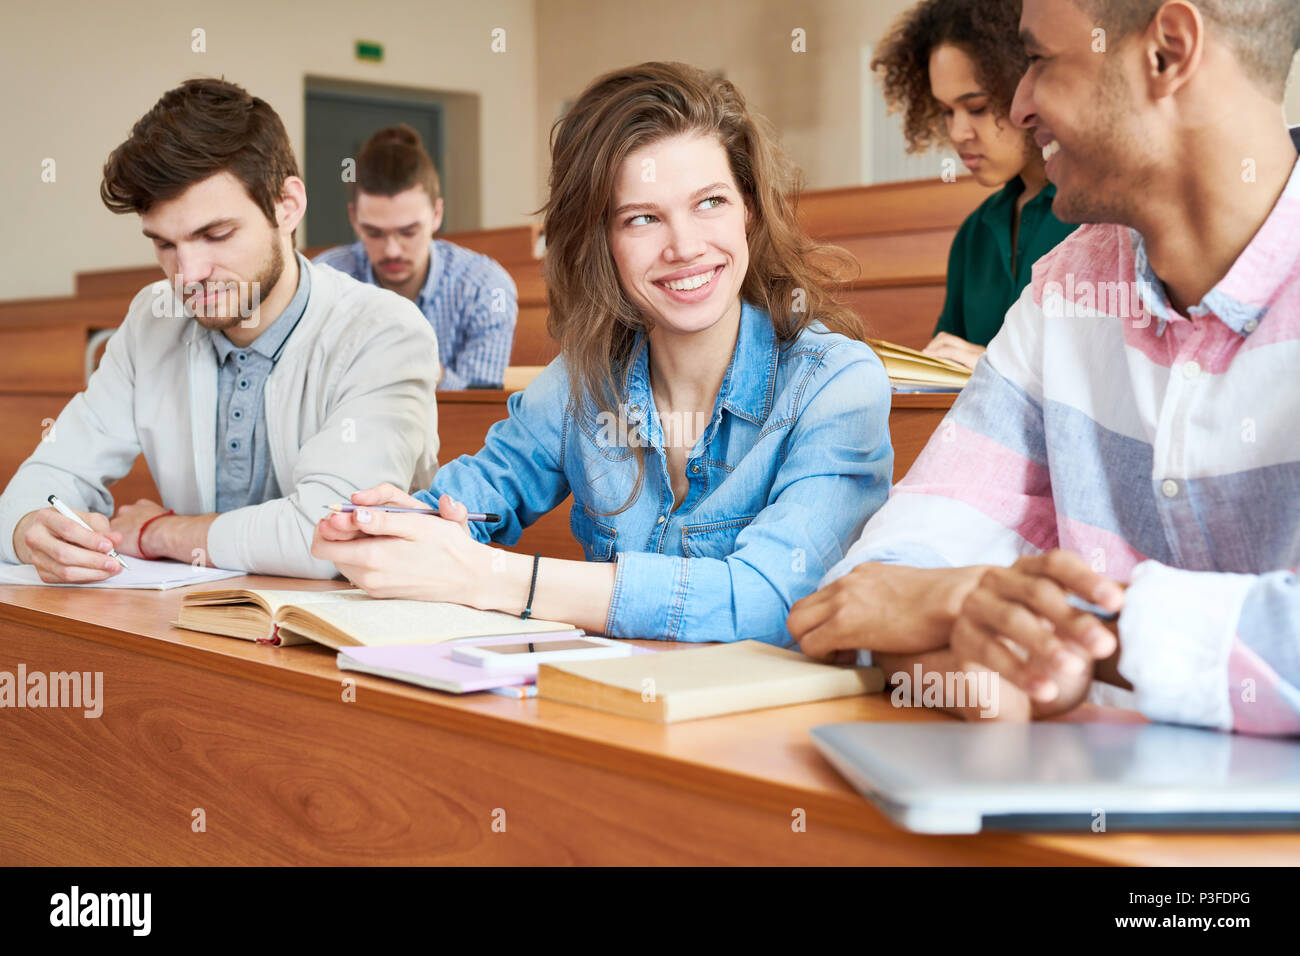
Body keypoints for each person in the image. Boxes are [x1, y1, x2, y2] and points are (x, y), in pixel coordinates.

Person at [789, 0, 1300, 736]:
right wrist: (962, 613)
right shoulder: (1066, 290)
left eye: (1038, 61)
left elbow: (921, 604)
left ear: (1168, 53)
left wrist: (1048, 628)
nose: (1019, 105)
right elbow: (864, 596)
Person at [311, 61, 893, 644]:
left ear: (750, 209)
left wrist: (493, 577)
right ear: (601, 243)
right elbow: (473, 498)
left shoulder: (836, 384)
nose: (685, 246)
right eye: (642, 218)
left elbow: (772, 602)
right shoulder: (581, 382)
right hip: (607, 712)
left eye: (710, 202)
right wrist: (388, 527)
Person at [0, 79, 440, 581]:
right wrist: (33, 531)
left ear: (287, 205)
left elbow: (327, 536)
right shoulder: (154, 317)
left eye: (215, 235)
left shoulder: (385, 331)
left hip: (351, 637)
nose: (187, 274)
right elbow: (46, 478)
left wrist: (162, 532)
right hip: (198, 628)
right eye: (164, 244)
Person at [873, 0, 1077, 369]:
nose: (957, 132)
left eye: (978, 107)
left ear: (1025, 85)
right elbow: (946, 367)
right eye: (947, 111)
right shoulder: (973, 235)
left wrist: (996, 365)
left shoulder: (1094, 215)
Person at [314, 125, 518, 389]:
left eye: (409, 232)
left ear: (437, 214)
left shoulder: (487, 288)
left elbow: (480, 404)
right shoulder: (324, 278)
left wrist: (412, 365)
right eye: (374, 233)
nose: (392, 251)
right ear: (353, 217)